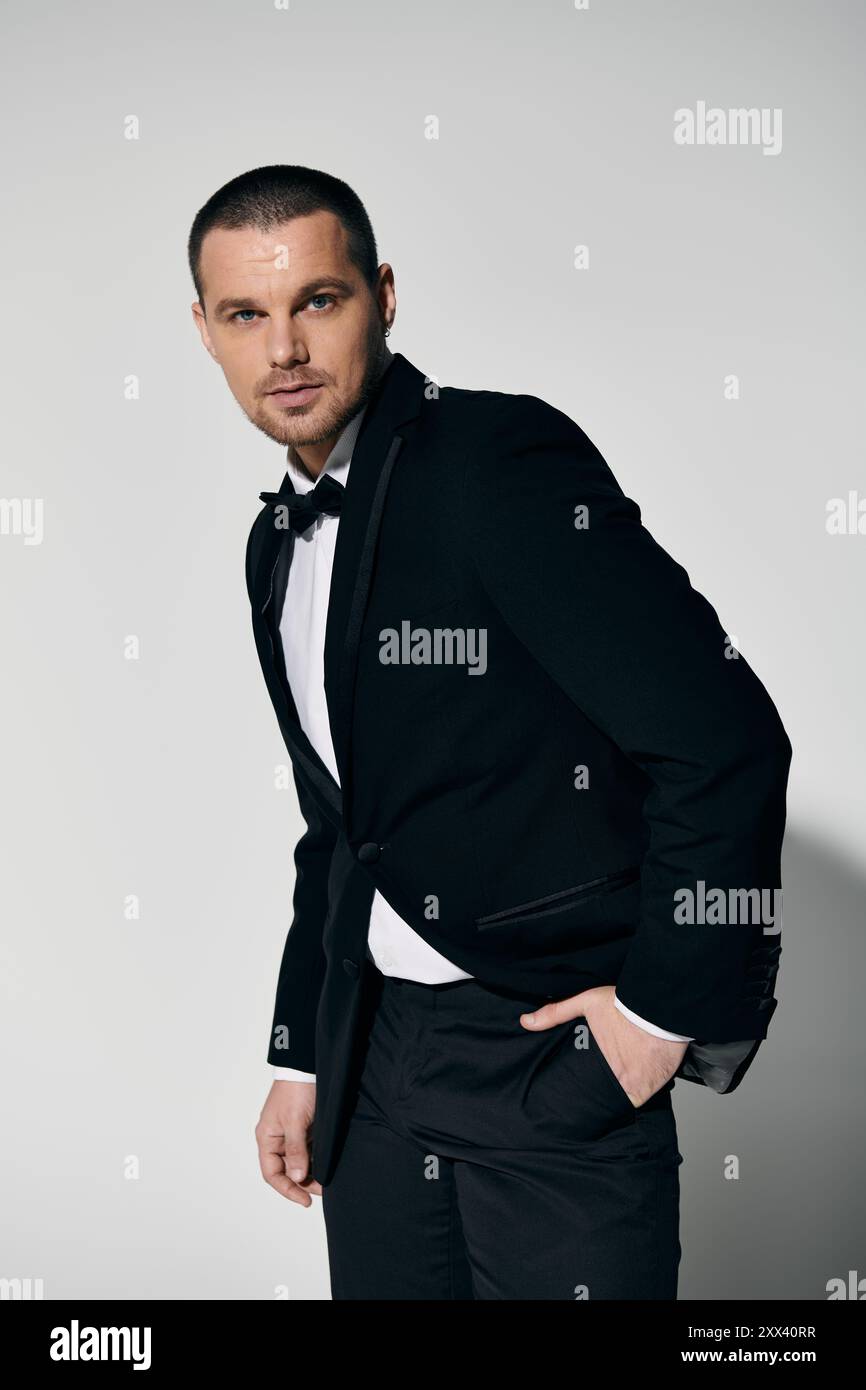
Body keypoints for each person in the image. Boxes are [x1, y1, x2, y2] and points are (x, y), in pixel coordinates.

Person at [188, 164, 791, 1300]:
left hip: (542, 1050)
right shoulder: (274, 547)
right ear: (204, 331)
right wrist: (303, 1048)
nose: (284, 350)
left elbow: (725, 738)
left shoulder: (494, 464)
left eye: (318, 300)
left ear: (383, 295)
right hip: (371, 1067)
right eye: (245, 314)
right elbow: (341, 826)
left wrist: (658, 1014)